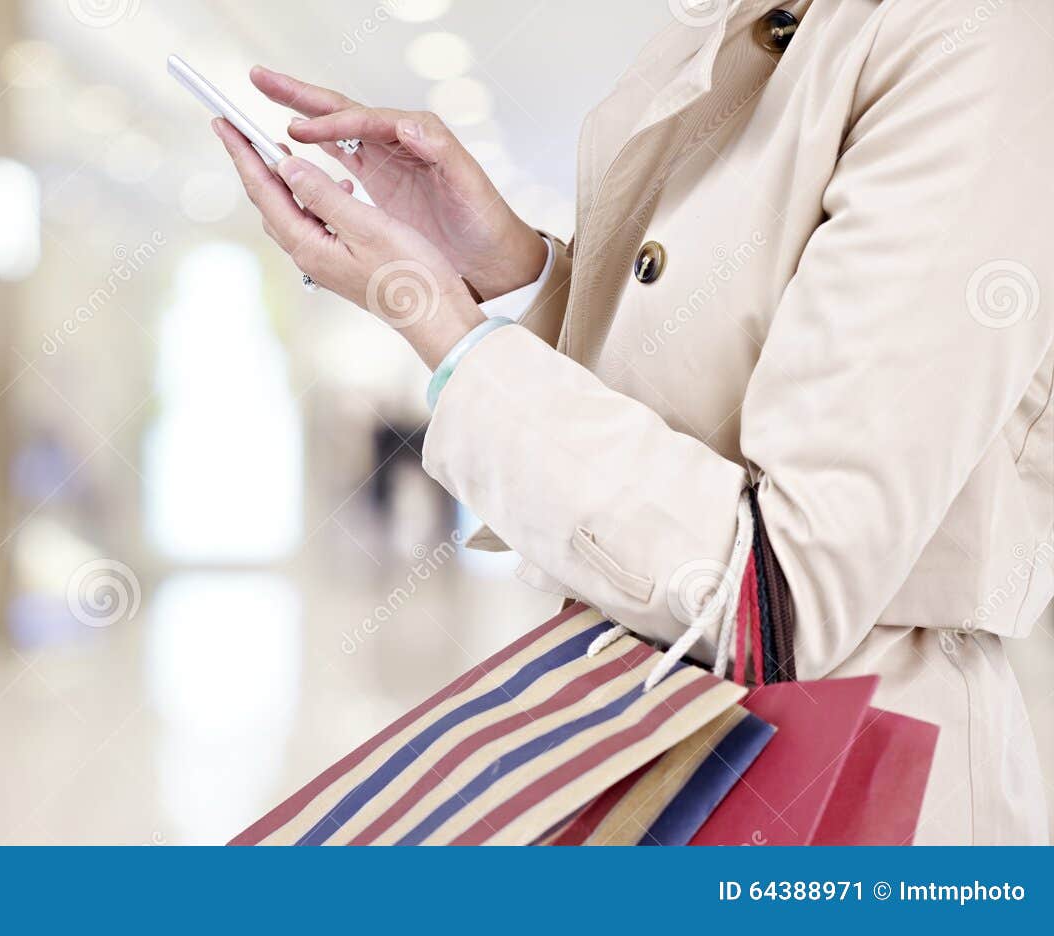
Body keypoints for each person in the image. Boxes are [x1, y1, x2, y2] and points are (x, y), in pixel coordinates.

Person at [215, 0, 1054, 845]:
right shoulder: (737, 29)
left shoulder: (973, 41)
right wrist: (514, 273)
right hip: (673, 744)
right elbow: (695, 396)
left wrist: (443, 327)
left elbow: (780, 595)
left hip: (851, 793)